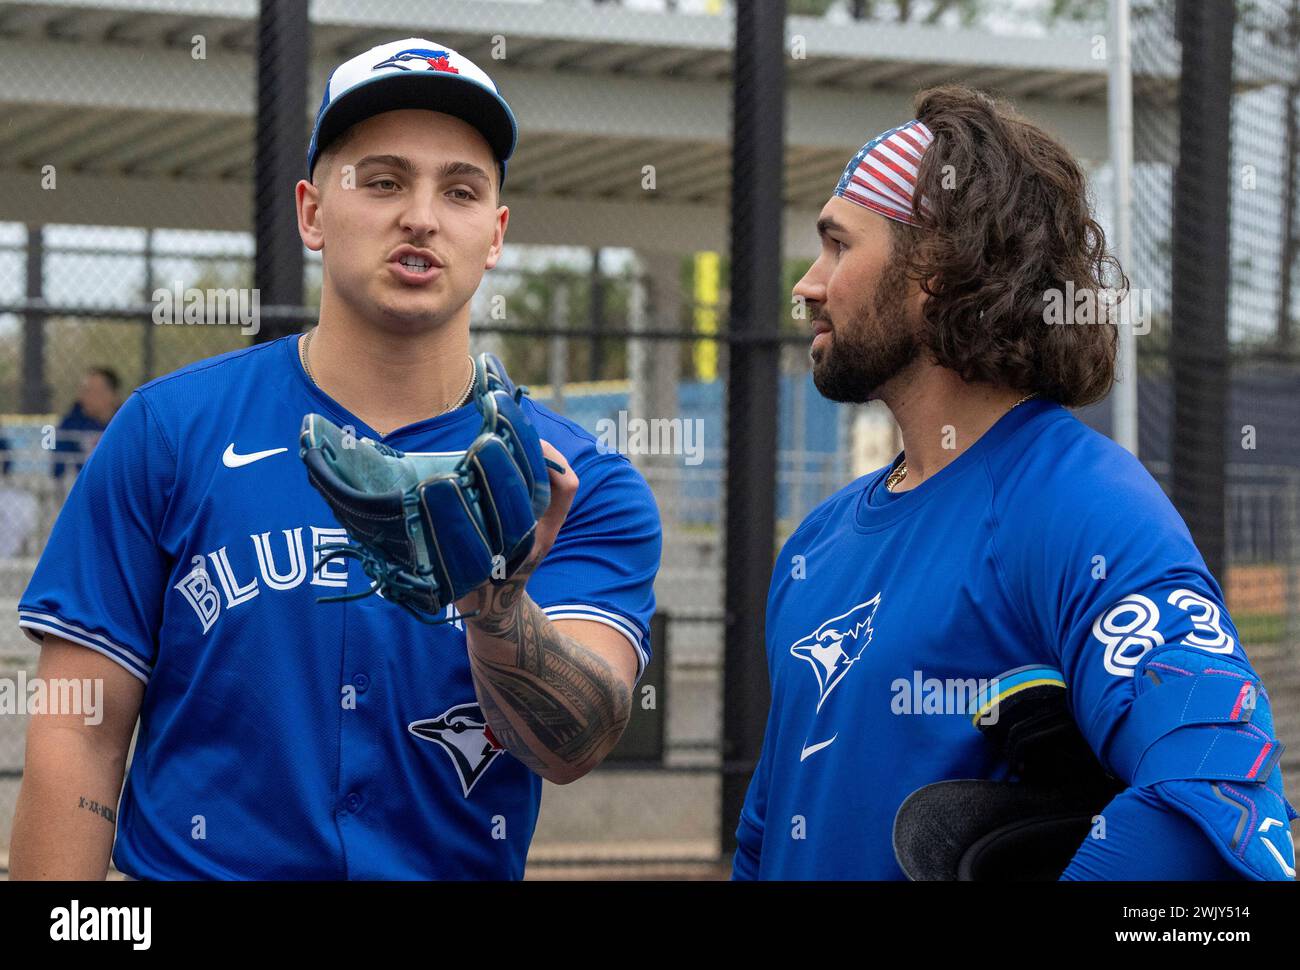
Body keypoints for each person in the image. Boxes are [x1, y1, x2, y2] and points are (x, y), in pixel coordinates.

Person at [11, 38, 662, 880]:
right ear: (313, 212)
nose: (421, 216)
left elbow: (571, 744)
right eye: (383, 181)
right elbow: (80, 727)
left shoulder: (575, 480)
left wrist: (496, 607)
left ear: (495, 234)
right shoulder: (169, 431)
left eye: (460, 190)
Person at [732, 86, 1296, 881]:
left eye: (837, 245)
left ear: (933, 270)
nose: (807, 284)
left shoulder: (1082, 506)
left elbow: (1216, 795)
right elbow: (767, 830)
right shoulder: (816, 543)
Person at [51, 366, 121, 479]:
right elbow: (58, 468)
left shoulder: (127, 424)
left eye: (93, 391)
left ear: (113, 395)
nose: (84, 396)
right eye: (84, 390)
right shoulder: (72, 424)